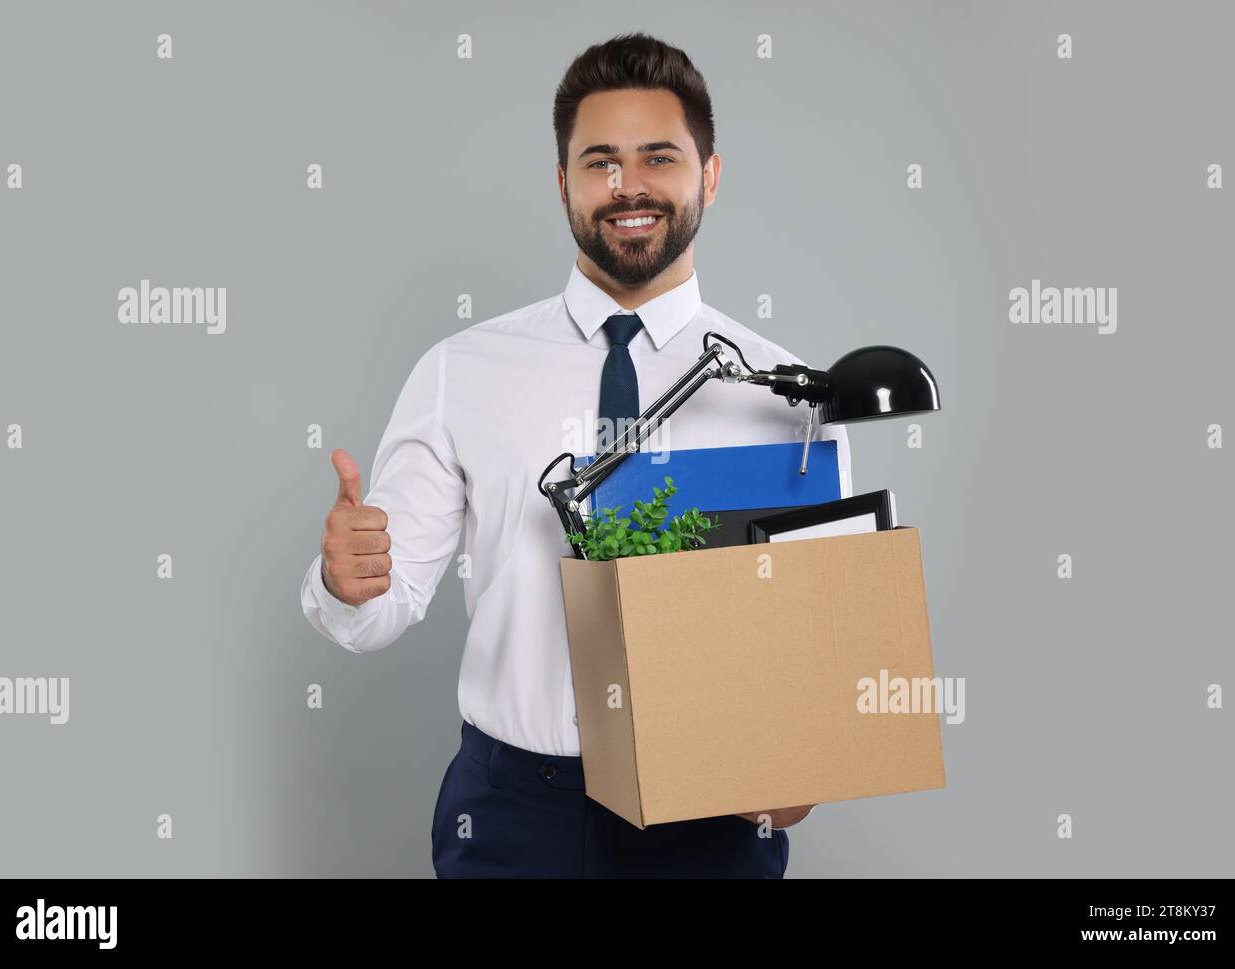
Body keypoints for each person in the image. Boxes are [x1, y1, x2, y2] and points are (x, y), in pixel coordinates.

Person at [301, 31, 853, 878]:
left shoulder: (789, 399)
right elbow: (381, 610)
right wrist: (347, 581)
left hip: (706, 822)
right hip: (513, 813)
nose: (628, 186)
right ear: (563, 184)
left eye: (659, 157)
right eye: (600, 162)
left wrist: (793, 778)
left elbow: (812, 674)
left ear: (709, 174)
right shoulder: (461, 371)